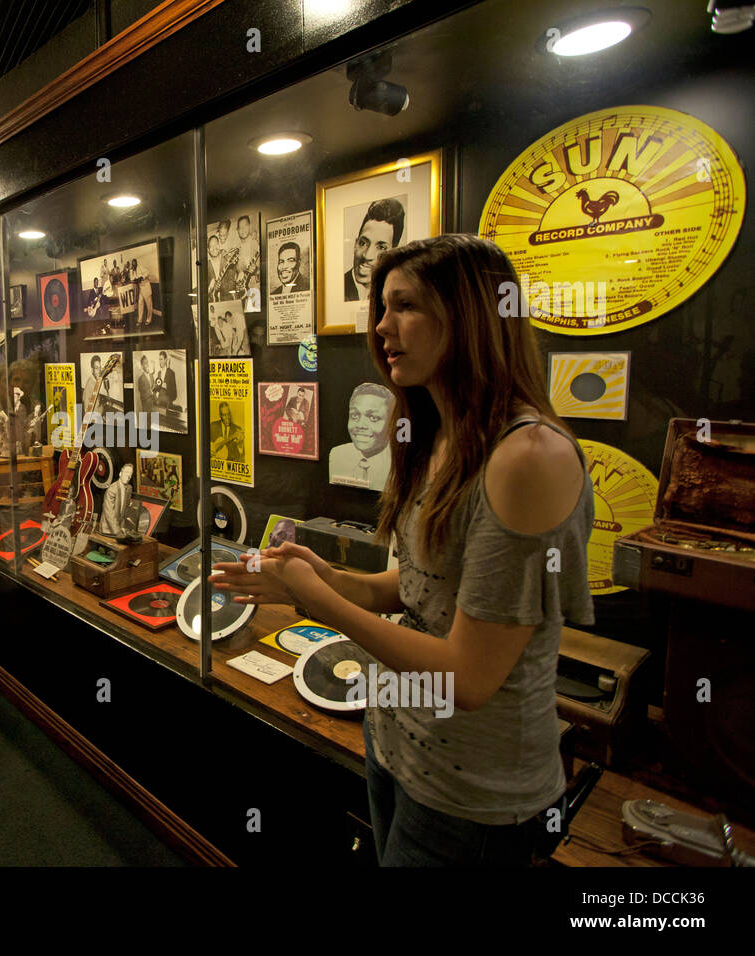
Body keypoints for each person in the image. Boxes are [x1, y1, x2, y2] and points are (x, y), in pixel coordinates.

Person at [215, 234, 594, 867]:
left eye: (405, 306)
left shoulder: (529, 457)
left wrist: (319, 605)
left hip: (471, 796)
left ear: (470, 316)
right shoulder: (436, 434)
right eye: (381, 308)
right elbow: (422, 590)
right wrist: (326, 577)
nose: (382, 327)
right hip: (396, 747)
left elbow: (469, 678)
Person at [329, 383, 396, 489]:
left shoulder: (400, 464)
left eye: (373, 418)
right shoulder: (337, 455)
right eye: (355, 415)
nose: (360, 425)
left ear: (391, 422)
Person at [344, 198, 405, 303]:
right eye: (363, 243)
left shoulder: (397, 292)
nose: (367, 255)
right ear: (355, 243)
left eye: (381, 247)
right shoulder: (340, 286)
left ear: (393, 253)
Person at [98, 463, 134, 537]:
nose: (128, 476)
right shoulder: (112, 489)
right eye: (126, 472)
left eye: (130, 474)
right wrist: (118, 532)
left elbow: (125, 510)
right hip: (108, 530)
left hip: (120, 529)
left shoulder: (129, 489)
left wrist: (124, 529)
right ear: (120, 473)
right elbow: (109, 514)